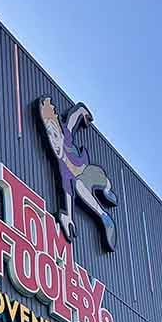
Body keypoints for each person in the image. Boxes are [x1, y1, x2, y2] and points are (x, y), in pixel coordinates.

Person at [38, 97, 118, 251]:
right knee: (79, 186)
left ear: (60, 133)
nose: (53, 142)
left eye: (55, 135)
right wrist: (67, 215)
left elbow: (73, 118)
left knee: (102, 181)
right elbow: (68, 192)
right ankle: (104, 218)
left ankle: (107, 192)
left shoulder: (66, 135)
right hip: (79, 181)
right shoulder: (62, 167)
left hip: (86, 170)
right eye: (49, 136)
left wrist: (83, 112)